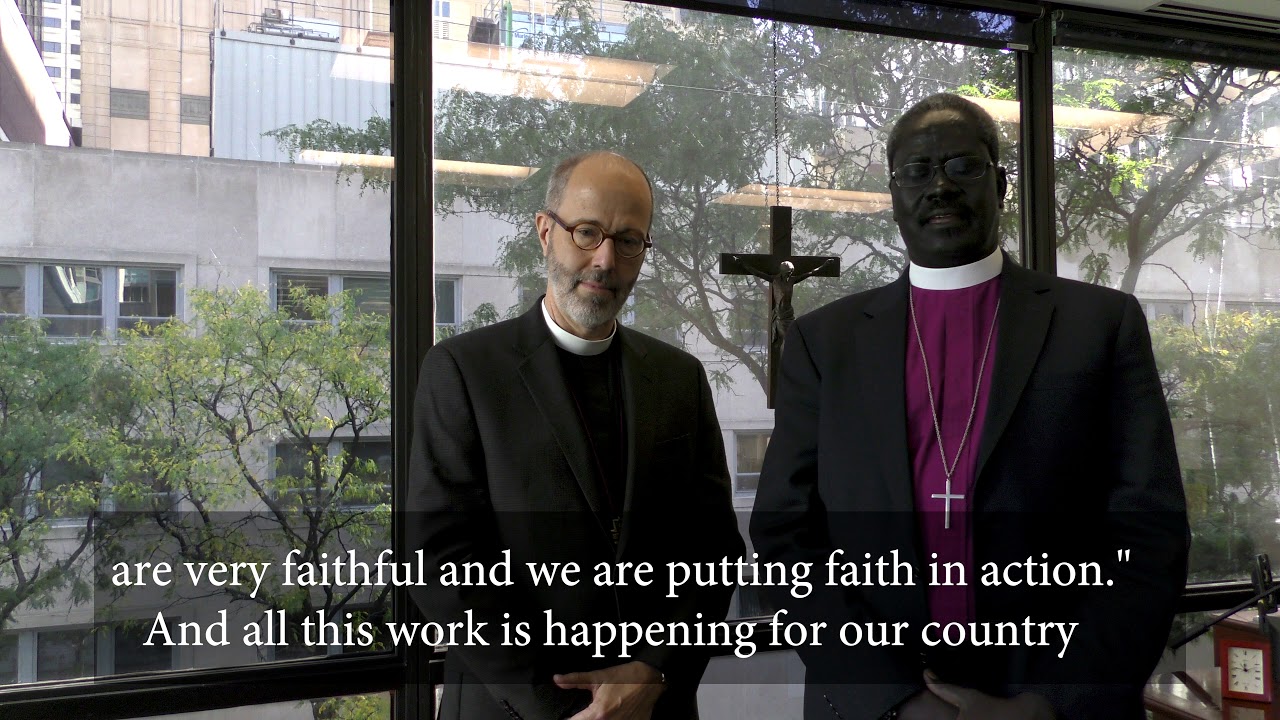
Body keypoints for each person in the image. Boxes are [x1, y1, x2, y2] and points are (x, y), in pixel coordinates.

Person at [749, 94, 1189, 720]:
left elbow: (1149, 533)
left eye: (962, 166)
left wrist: (1052, 704)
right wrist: (898, 700)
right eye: (917, 172)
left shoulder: (1098, 324)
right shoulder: (826, 343)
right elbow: (782, 538)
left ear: (1001, 182)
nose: (939, 188)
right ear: (894, 194)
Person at [409, 151, 744, 720]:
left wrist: (657, 669)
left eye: (629, 240)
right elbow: (439, 560)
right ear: (546, 232)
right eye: (587, 232)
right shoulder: (464, 370)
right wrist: (558, 704)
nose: (605, 259)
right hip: (514, 708)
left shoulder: (678, 378)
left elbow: (715, 550)